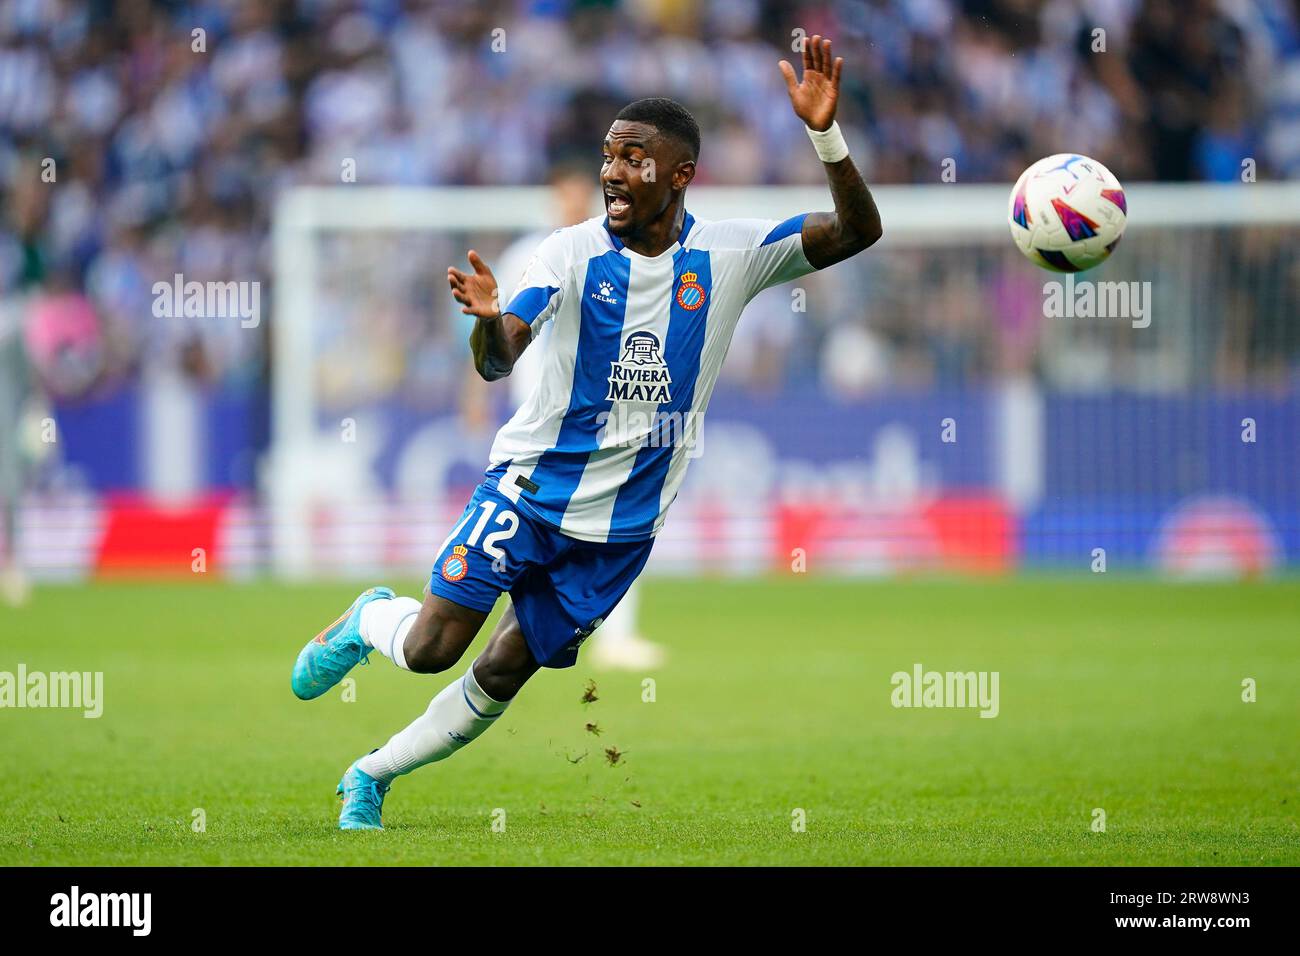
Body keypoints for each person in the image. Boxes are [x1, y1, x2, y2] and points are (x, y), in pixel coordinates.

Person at [291, 37, 882, 830]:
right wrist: (488, 326)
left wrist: (825, 136)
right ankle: (370, 617)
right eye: (607, 155)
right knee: (434, 646)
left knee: (503, 670)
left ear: (679, 175)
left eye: (633, 158)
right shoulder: (566, 254)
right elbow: (503, 358)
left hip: (621, 529)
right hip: (531, 491)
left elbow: (857, 230)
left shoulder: (732, 254)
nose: (611, 171)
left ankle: (371, 773)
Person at [494, 163, 666, 671]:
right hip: (536, 415)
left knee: (616, 516)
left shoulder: (611, 252)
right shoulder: (527, 255)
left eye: (579, 197)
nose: (572, 206)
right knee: (528, 521)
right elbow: (492, 331)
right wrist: (477, 391)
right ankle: (510, 623)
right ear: (552, 199)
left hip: (596, 413)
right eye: (563, 197)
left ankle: (617, 636)